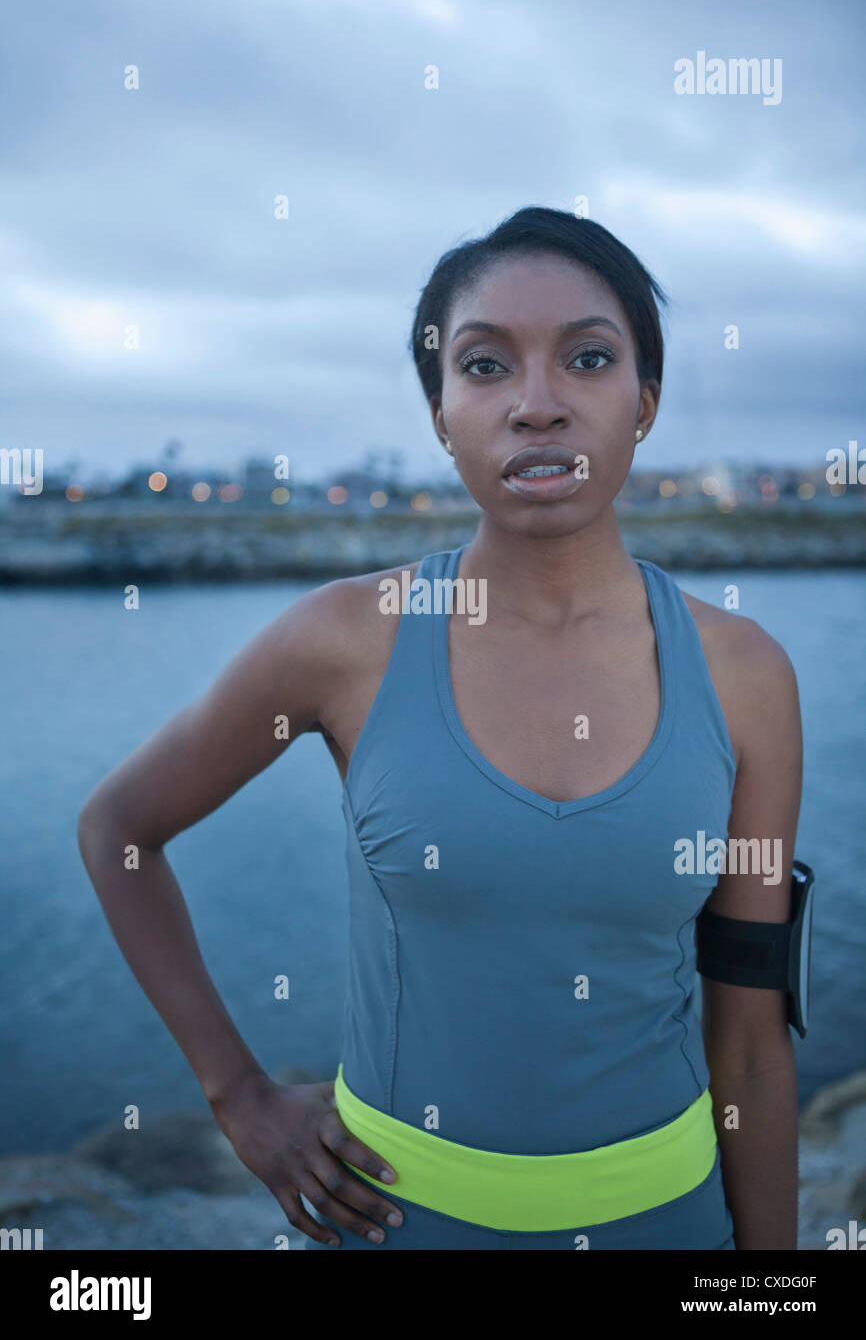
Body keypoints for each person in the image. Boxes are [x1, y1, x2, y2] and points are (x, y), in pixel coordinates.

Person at [78, 206, 802, 1250]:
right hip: (398, 1226)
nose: (536, 406)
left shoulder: (742, 676)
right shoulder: (344, 642)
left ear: (643, 402)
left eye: (587, 360)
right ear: (439, 412)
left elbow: (748, 1047)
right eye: (485, 366)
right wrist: (236, 1092)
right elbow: (119, 830)